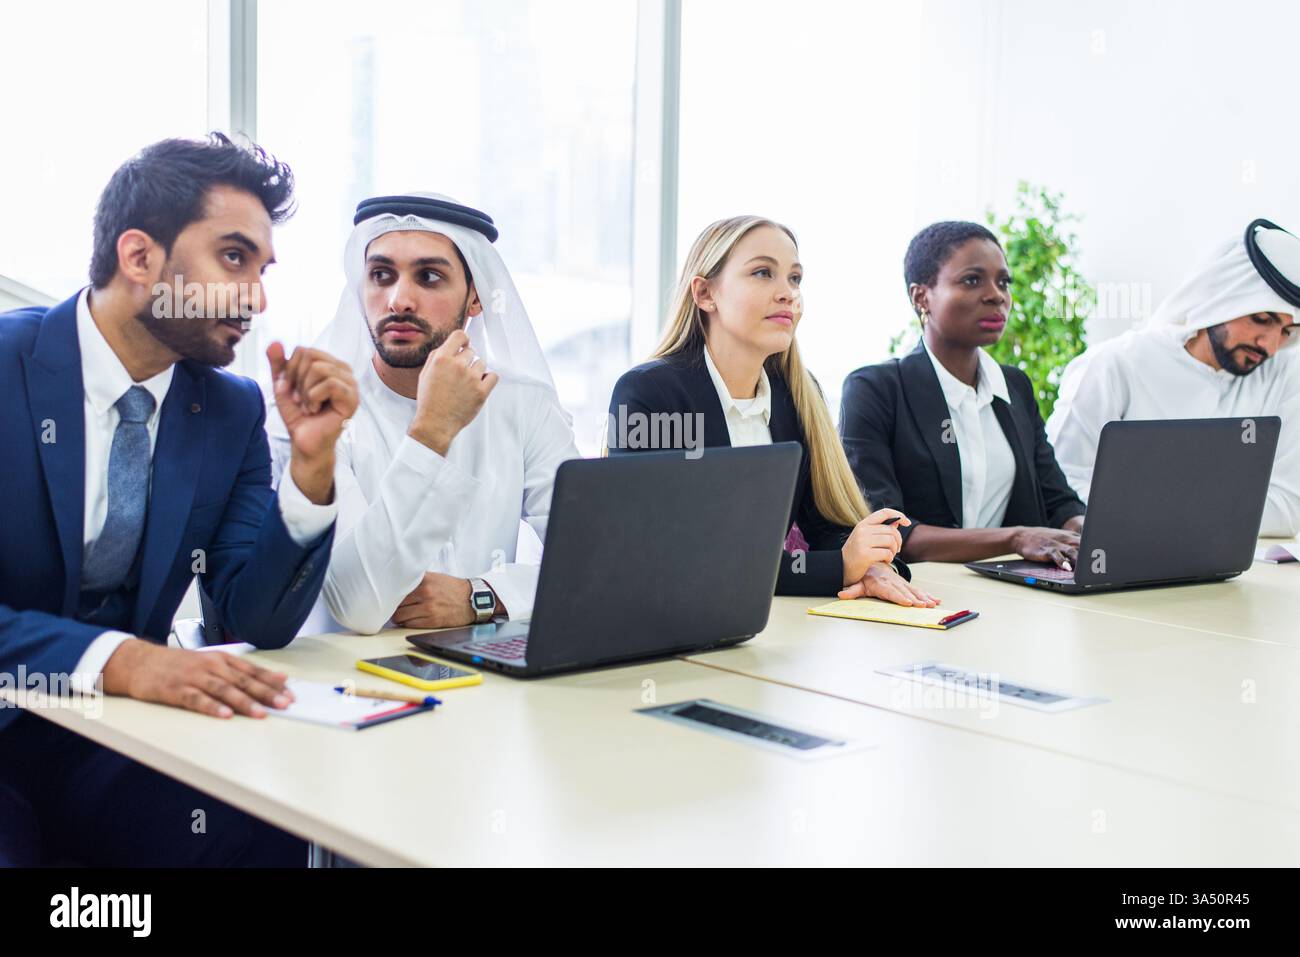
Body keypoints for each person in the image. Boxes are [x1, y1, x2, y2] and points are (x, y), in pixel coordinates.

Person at [0, 133, 358, 866]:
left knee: (268, 816)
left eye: (263, 269)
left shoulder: (229, 409)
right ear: (139, 259)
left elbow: (250, 617)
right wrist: (127, 659)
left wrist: (312, 471)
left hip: (118, 738)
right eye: (234, 258)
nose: (257, 296)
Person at [268, 193, 577, 635]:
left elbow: (593, 563)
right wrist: (433, 430)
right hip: (348, 686)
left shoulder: (525, 404)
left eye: (429, 277)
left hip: (489, 681)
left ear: (475, 298)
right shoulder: (319, 416)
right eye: (381, 275)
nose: (399, 300)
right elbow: (358, 604)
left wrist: (481, 595)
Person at [607, 215, 937, 607]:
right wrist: (838, 567)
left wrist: (870, 564)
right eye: (763, 273)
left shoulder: (797, 393)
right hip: (675, 628)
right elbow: (679, 560)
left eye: (794, 278)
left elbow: (823, 528)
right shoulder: (650, 393)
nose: (788, 294)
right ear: (705, 294)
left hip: (773, 628)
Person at [841, 221, 1085, 568]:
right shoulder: (875, 389)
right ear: (921, 296)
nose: (996, 295)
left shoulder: (1014, 387)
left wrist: (1089, 531)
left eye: (1003, 283)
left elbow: (1058, 502)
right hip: (920, 596)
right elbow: (888, 529)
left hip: (1014, 593)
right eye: (972, 280)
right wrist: (1016, 539)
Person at [1047, 219, 1300, 536]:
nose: (1271, 345)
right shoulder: (1115, 365)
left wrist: (1152, 505)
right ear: (1221, 299)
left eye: (1288, 332)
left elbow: (1287, 508)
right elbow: (1060, 489)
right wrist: (1211, 509)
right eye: (1261, 319)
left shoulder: (1283, 375)